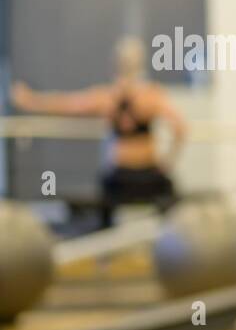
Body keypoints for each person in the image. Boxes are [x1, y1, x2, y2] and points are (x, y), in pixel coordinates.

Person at [9, 36, 187, 227]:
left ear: (116, 63)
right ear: (142, 63)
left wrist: (31, 100)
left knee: (107, 199)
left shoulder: (107, 97)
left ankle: (105, 243)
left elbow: (69, 104)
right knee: (171, 202)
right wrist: (168, 161)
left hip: (121, 178)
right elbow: (180, 128)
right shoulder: (152, 96)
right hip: (149, 176)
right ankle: (171, 240)